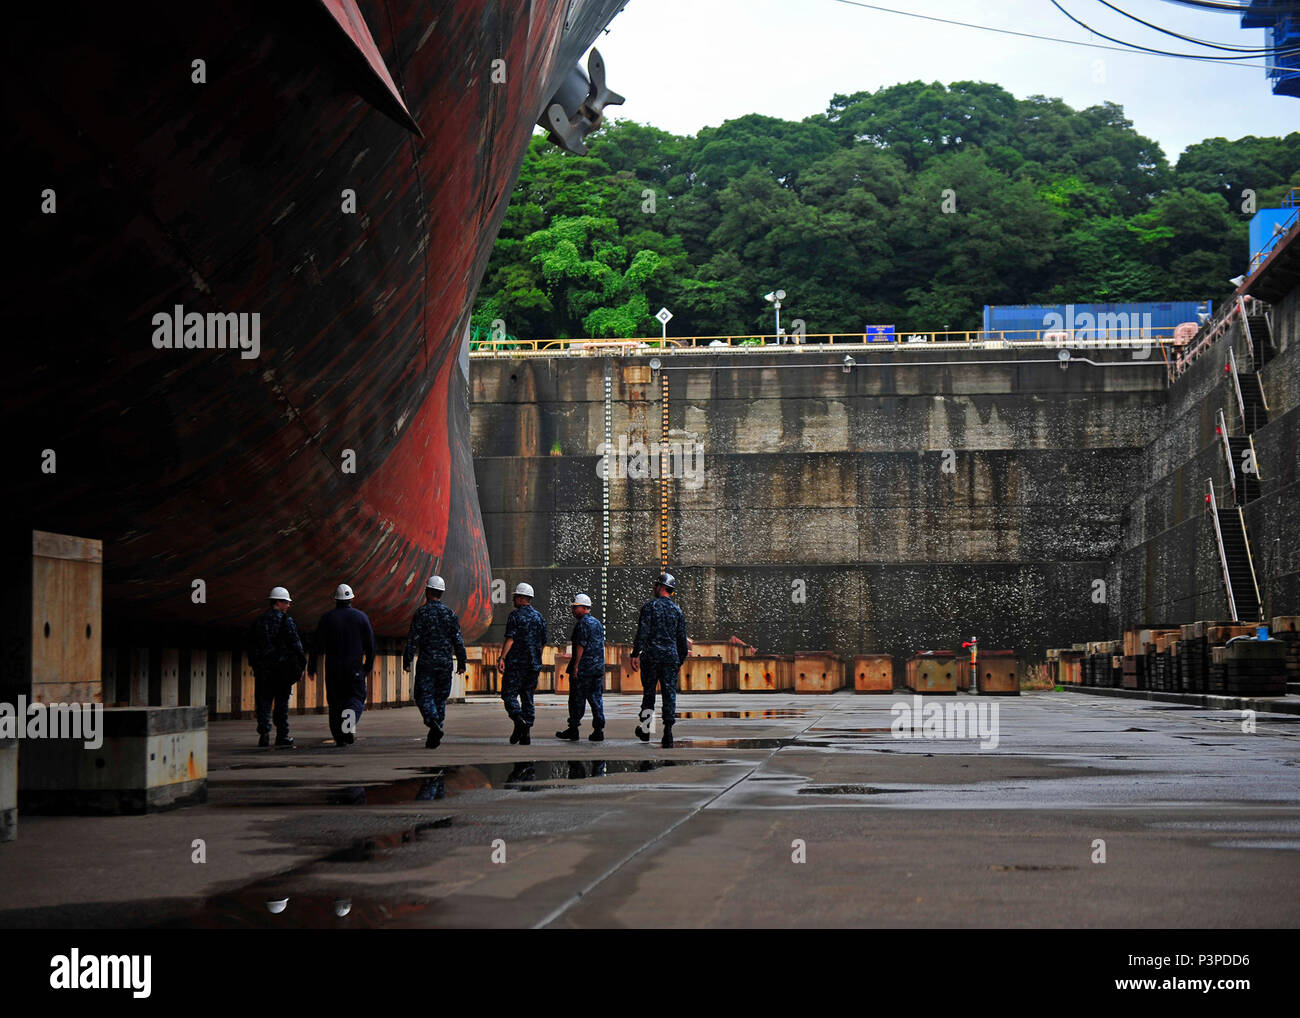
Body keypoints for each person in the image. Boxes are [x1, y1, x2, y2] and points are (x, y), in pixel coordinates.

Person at [307, 583, 375, 746]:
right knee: (356, 698)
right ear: (351, 598)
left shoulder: (327, 618)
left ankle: (339, 738)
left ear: (336, 600)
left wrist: (312, 667)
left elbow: (316, 645)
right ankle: (349, 722)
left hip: (333, 670)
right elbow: (370, 645)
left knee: (335, 704)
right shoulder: (361, 617)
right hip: (354, 669)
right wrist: (367, 666)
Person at [403, 574, 467, 749]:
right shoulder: (449, 613)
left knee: (423, 695)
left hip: (427, 662)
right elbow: (458, 640)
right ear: (441, 592)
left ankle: (433, 723)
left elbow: (413, 639)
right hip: (446, 663)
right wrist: (462, 662)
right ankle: (435, 733)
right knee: (440, 698)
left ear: (428, 591)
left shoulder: (421, 613)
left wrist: (407, 659)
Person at [631, 571, 689, 748]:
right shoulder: (677, 611)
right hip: (670, 658)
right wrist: (679, 661)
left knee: (649, 693)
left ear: (661, 587)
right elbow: (682, 639)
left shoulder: (650, 607)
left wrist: (635, 654)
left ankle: (647, 729)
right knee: (669, 694)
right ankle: (668, 732)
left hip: (651, 657)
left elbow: (642, 632)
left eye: (656, 585)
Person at [247, 586, 306, 748]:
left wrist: (256, 665)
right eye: (286, 602)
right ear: (278, 602)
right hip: (282, 670)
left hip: (263, 670)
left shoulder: (259, 621)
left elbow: (251, 647)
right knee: (281, 704)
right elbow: (296, 645)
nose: (288, 605)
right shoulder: (287, 621)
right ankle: (282, 736)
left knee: (264, 702)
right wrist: (301, 666)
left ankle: (264, 734)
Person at [497, 582, 545, 745]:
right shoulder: (539, 617)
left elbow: (510, 639)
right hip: (533, 665)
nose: (513, 600)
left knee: (508, 694)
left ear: (520, 598)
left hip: (517, 664)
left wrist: (502, 658)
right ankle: (526, 733)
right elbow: (542, 642)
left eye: (515, 597)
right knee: (527, 696)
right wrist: (537, 659)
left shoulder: (515, 616)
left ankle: (518, 721)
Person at [556, 592, 605, 742]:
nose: (573, 610)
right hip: (597, 668)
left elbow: (580, 646)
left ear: (584, 608)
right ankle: (598, 730)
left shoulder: (582, 623)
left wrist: (576, 666)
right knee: (596, 699)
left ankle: (573, 729)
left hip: (584, 669)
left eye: (575, 607)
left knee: (577, 700)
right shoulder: (597, 623)